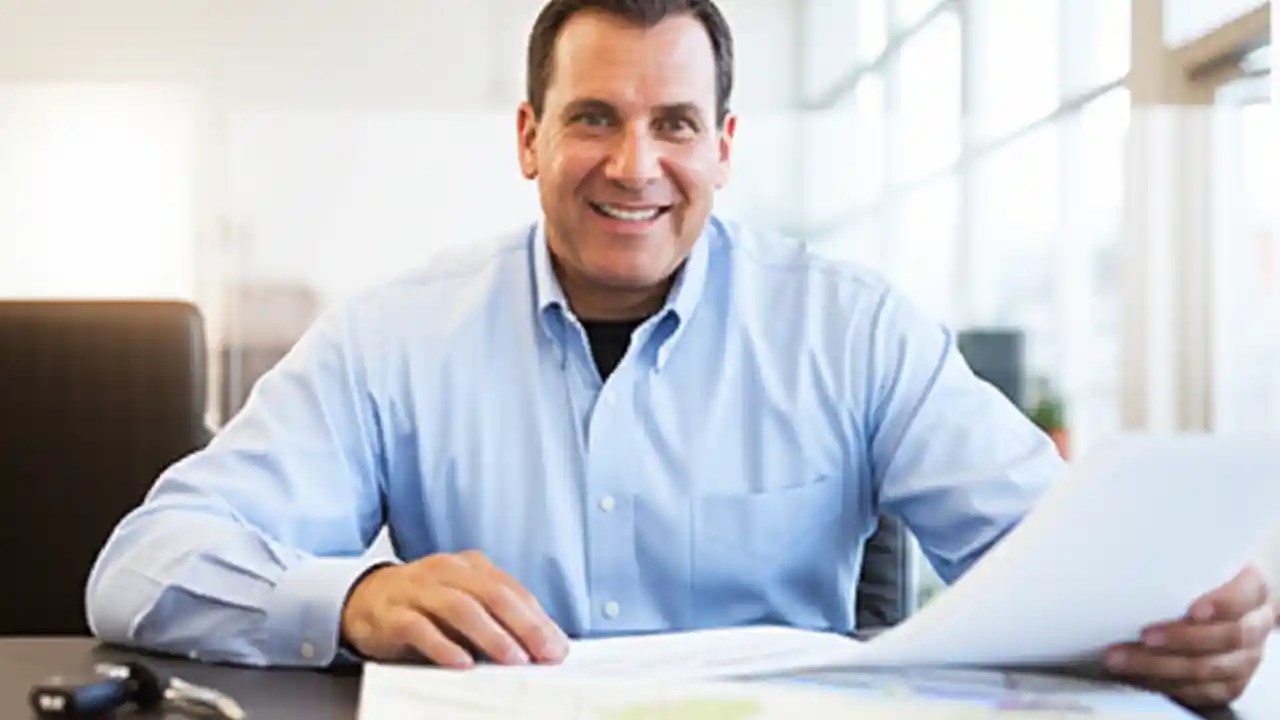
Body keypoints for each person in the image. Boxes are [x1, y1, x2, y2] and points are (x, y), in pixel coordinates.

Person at [86, 0, 1272, 708]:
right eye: (594, 117)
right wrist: (350, 594)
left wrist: (1181, 629)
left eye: (674, 124)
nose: (634, 164)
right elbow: (143, 565)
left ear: (724, 144)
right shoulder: (393, 335)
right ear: (527, 137)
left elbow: (1055, 563)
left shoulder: (852, 330)